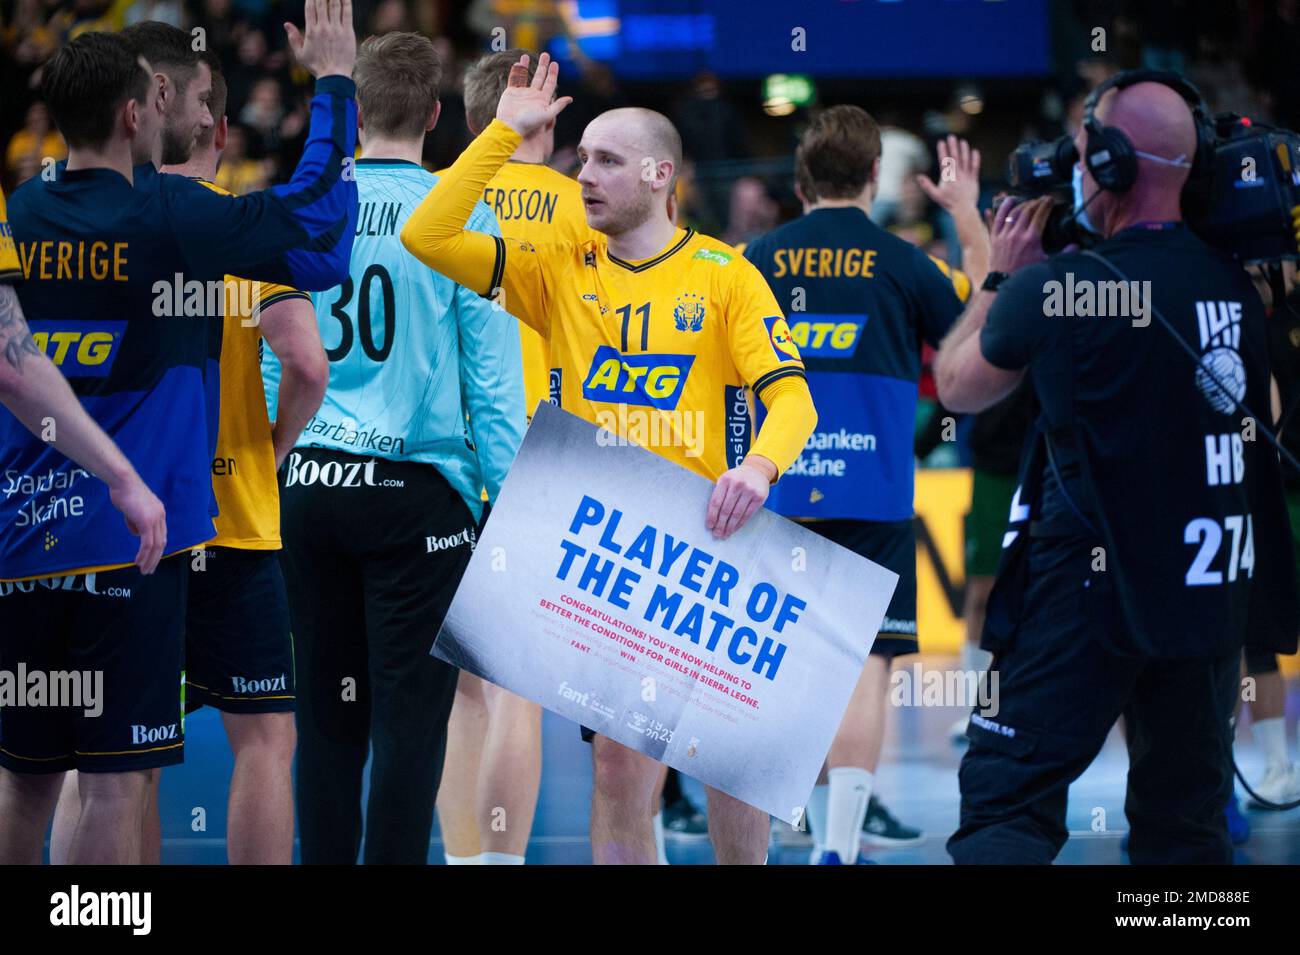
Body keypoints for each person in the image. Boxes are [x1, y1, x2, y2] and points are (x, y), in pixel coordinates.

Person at [401, 52, 817, 865]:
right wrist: (499, 134)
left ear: (662, 175)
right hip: (612, 555)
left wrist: (760, 466)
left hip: (707, 552)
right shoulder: (556, 271)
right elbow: (428, 232)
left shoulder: (727, 276)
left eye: (606, 161)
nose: (582, 173)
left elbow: (794, 398)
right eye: (579, 155)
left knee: (735, 773)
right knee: (621, 772)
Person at [0, 0, 358, 865]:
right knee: (116, 777)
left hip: (21, 532)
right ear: (136, 112)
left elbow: (14, 365)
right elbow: (319, 232)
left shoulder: (19, 209)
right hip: (134, 540)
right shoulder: (171, 215)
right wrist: (336, 83)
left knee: (25, 777)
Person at [934, 70, 1298, 864]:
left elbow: (959, 387)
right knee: (1186, 835)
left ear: (1110, 166)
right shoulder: (1236, 288)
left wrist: (1001, 272)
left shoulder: (1057, 287)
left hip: (1084, 594)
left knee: (1006, 803)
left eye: (1084, 149)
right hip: (1204, 602)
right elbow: (1261, 412)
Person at [266, 30, 524, 865]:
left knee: (327, 717)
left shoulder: (307, 203)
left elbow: (278, 361)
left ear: (359, 106)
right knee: (410, 724)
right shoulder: (461, 212)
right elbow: (491, 385)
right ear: (437, 115)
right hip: (415, 497)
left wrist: (277, 471)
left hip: (309, 483)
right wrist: (508, 504)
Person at [743, 110, 983, 864]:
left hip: (775, 486)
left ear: (798, 181)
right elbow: (984, 315)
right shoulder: (903, 260)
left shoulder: (752, 259)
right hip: (874, 490)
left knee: (781, 659)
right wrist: (968, 213)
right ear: (874, 178)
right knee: (865, 666)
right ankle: (838, 846)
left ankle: (795, 818)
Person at [433, 48, 592, 866]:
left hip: (443, 469)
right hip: (550, 468)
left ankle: (468, 861)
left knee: (465, 694)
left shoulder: (442, 203)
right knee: (517, 696)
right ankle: (498, 862)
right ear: (552, 119)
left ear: (470, 121)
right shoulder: (585, 208)